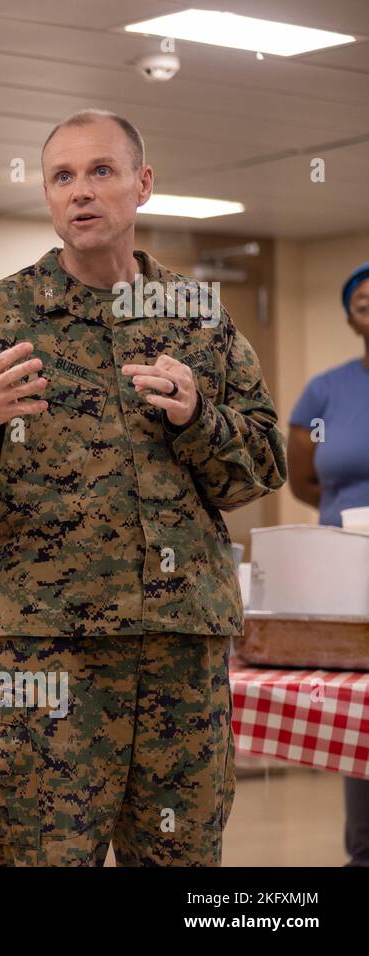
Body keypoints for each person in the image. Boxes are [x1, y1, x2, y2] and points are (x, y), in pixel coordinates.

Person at [0, 108, 287, 866]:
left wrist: (198, 417)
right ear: (48, 196)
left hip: (182, 651)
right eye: (63, 176)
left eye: (101, 171)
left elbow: (264, 469)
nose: (81, 192)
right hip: (50, 661)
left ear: (142, 185)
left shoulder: (198, 321)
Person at [287, 261, 369, 867]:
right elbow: (305, 479)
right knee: (364, 716)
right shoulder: (325, 391)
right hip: (350, 578)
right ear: (349, 317)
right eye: (363, 301)